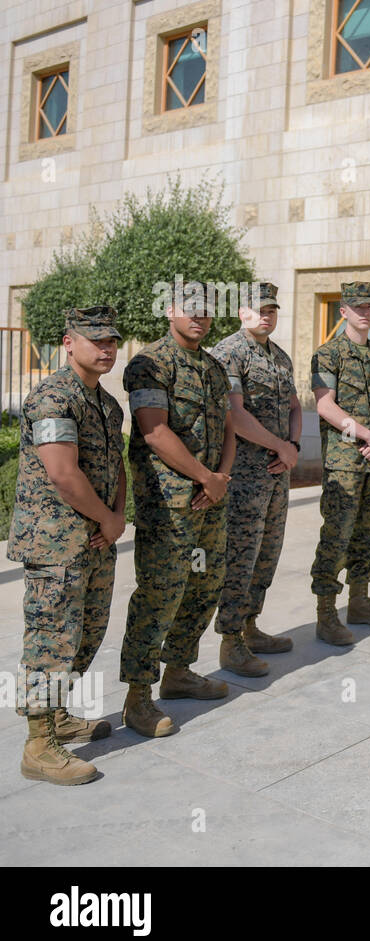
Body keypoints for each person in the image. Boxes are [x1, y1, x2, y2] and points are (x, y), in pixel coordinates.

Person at [9, 306, 125, 783]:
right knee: (50, 642)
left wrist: (115, 517)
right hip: (55, 544)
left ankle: (56, 716)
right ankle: (38, 746)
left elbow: (116, 467)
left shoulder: (107, 404)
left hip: (95, 539)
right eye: (94, 340)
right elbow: (61, 473)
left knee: (85, 634)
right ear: (68, 342)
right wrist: (109, 519)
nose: (105, 349)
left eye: (111, 341)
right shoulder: (54, 398)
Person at [121, 293, 236, 734]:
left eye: (206, 310)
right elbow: (154, 431)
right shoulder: (150, 363)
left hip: (210, 499)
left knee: (205, 583)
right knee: (160, 594)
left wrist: (220, 477)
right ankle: (137, 697)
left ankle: (179, 671)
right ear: (170, 311)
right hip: (169, 504)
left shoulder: (211, 366)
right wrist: (204, 476)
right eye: (191, 309)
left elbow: (227, 425)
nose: (200, 318)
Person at [210, 281, 300, 677]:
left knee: (267, 552)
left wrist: (293, 444)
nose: (266, 316)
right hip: (245, 477)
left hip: (276, 475)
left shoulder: (279, 356)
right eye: (258, 309)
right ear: (241, 311)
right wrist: (280, 446)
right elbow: (234, 414)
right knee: (240, 557)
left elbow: (296, 405)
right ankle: (230, 642)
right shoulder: (229, 353)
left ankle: (250, 626)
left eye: (272, 310)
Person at [310, 281, 370, 644]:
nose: (365, 312)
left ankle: (359, 600)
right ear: (343, 311)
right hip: (345, 461)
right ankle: (326, 613)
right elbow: (325, 405)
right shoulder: (328, 355)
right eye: (357, 306)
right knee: (337, 534)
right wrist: (367, 435)